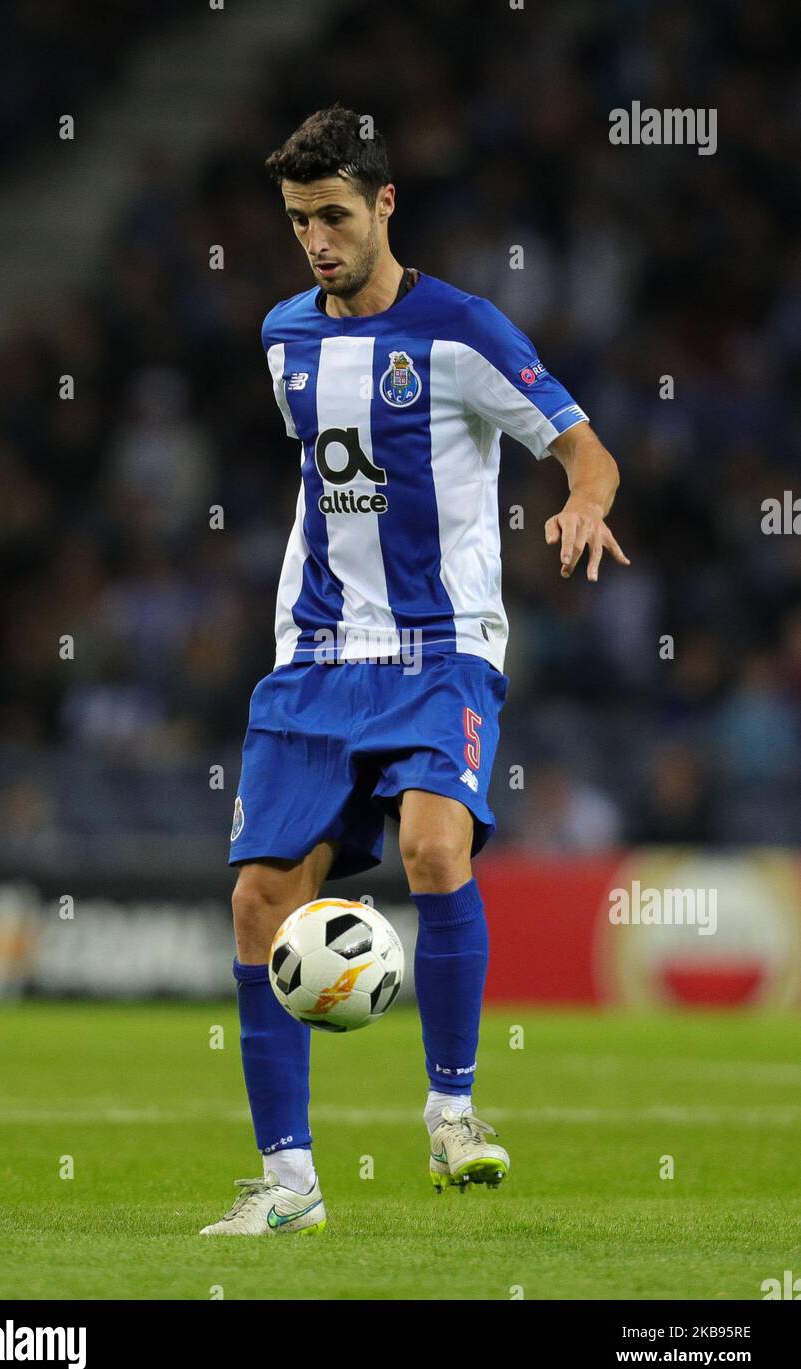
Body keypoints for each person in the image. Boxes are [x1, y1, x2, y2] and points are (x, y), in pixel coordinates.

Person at [200, 105, 628, 1236]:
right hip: (313, 659)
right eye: (298, 221)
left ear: (385, 203)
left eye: (334, 215)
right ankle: (288, 1187)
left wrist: (581, 501)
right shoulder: (282, 334)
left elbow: (582, 446)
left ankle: (450, 1114)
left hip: (442, 651)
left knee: (435, 847)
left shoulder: (464, 329)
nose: (317, 240)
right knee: (256, 903)